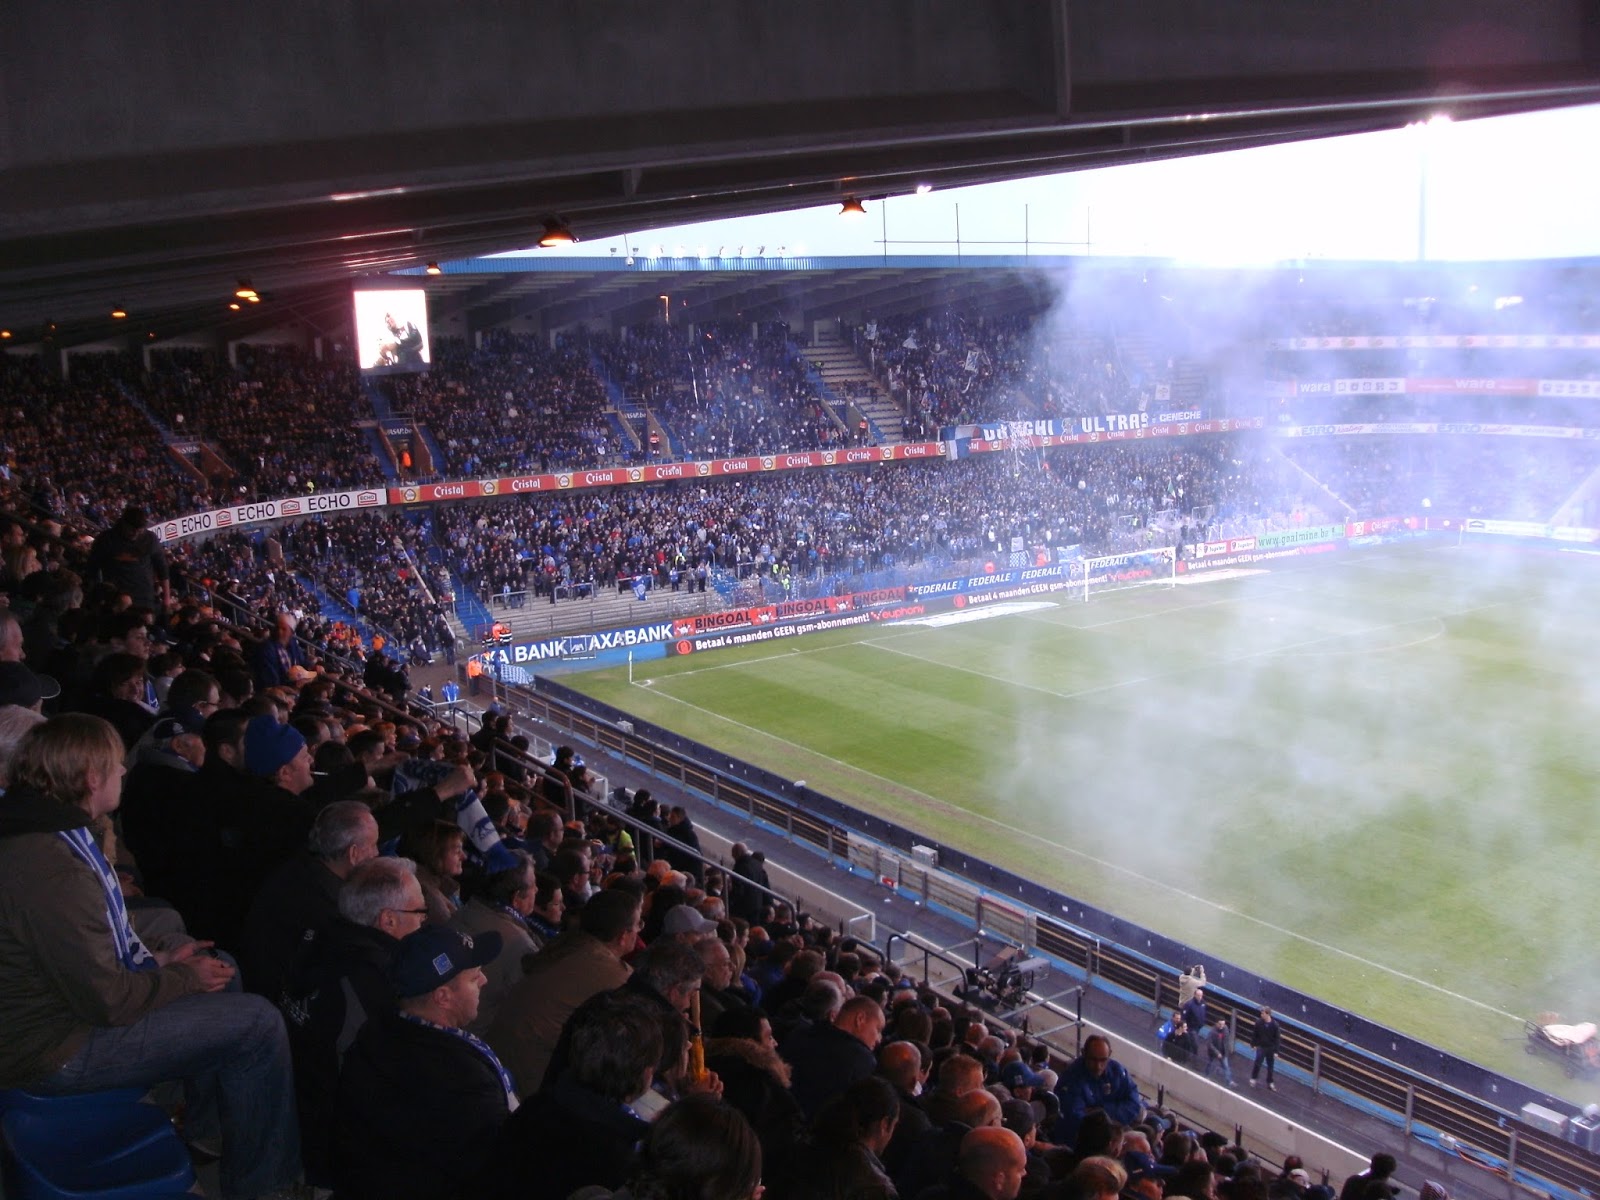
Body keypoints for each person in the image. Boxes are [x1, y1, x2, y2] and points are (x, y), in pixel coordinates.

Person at [0, 714, 300, 1199]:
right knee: (259, 1024)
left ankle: (205, 1131)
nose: (124, 772)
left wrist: (164, 963)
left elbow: (84, 952)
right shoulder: (51, 868)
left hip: (58, 1016)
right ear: (91, 778)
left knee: (223, 967)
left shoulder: (46, 833)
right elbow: (109, 1003)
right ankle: (265, 1186)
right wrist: (182, 976)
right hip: (52, 1050)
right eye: (118, 766)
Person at [332, 925, 516, 1200]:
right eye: (474, 977)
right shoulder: (467, 1085)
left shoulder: (378, 1029)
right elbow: (498, 1170)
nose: (484, 981)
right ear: (443, 997)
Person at [1053, 1035, 1146, 1146]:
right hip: (1080, 1141)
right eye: (1093, 1060)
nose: (1098, 1066)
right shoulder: (1071, 1077)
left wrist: (1101, 1110)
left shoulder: (1117, 1071)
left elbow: (1134, 1104)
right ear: (1083, 1053)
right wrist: (1114, 1110)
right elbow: (1077, 1120)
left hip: (1115, 1131)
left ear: (1110, 1054)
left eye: (1103, 1060)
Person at [1249, 1007, 1281, 1091]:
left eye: (1263, 1013)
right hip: (1261, 1047)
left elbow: (1277, 1039)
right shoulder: (1259, 1023)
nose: (1261, 1015)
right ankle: (1253, 1078)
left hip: (1270, 1048)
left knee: (1270, 1066)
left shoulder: (1275, 1025)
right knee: (1257, 1063)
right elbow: (1255, 1034)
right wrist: (1253, 1045)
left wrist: (1276, 1052)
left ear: (1268, 1014)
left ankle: (1270, 1082)